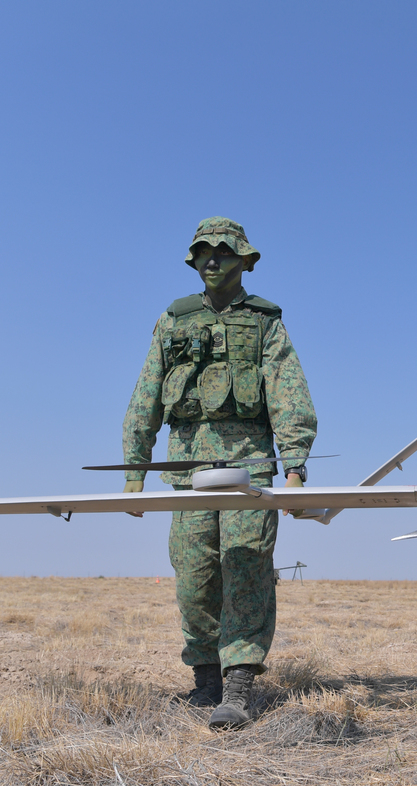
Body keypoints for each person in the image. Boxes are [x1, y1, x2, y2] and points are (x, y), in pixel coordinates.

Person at [122, 217, 317, 730]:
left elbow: (287, 391)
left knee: (246, 570)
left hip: (248, 469)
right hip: (185, 471)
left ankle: (238, 687)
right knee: (195, 577)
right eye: (203, 252)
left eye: (224, 252)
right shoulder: (173, 320)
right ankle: (205, 681)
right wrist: (134, 472)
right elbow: (146, 393)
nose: (212, 260)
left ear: (243, 259)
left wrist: (294, 467)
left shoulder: (265, 321)